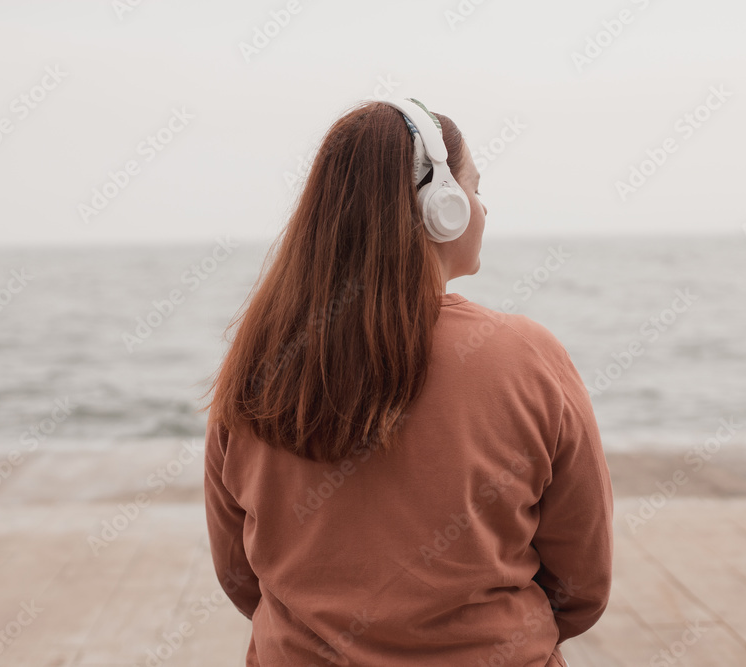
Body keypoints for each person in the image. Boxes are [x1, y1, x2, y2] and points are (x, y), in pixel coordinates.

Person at [202, 97, 613, 666]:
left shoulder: (259, 361)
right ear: (440, 205)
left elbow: (238, 574)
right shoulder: (527, 356)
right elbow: (583, 584)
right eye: (473, 186)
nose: (483, 207)